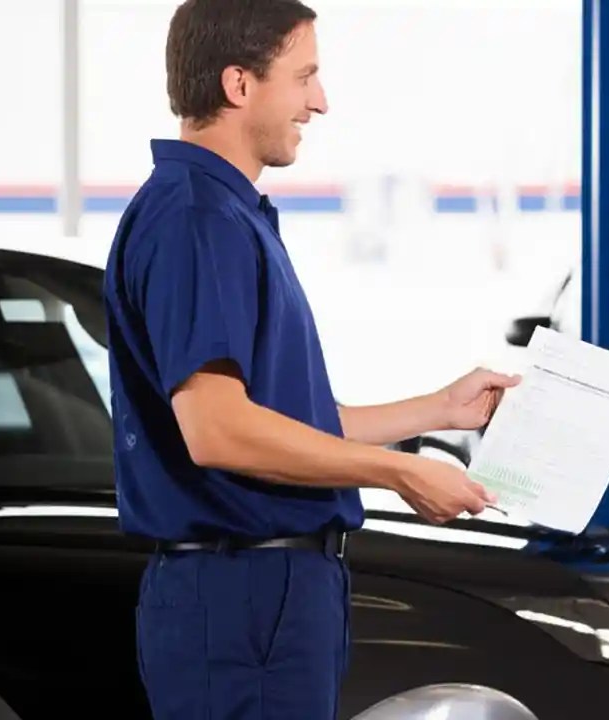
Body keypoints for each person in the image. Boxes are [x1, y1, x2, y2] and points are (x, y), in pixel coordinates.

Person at [101, 1, 518, 718]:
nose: (319, 102)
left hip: (267, 589)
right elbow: (219, 430)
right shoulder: (199, 221)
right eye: (304, 78)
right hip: (244, 593)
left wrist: (438, 409)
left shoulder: (224, 215)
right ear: (239, 85)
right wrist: (401, 471)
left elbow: (284, 422)